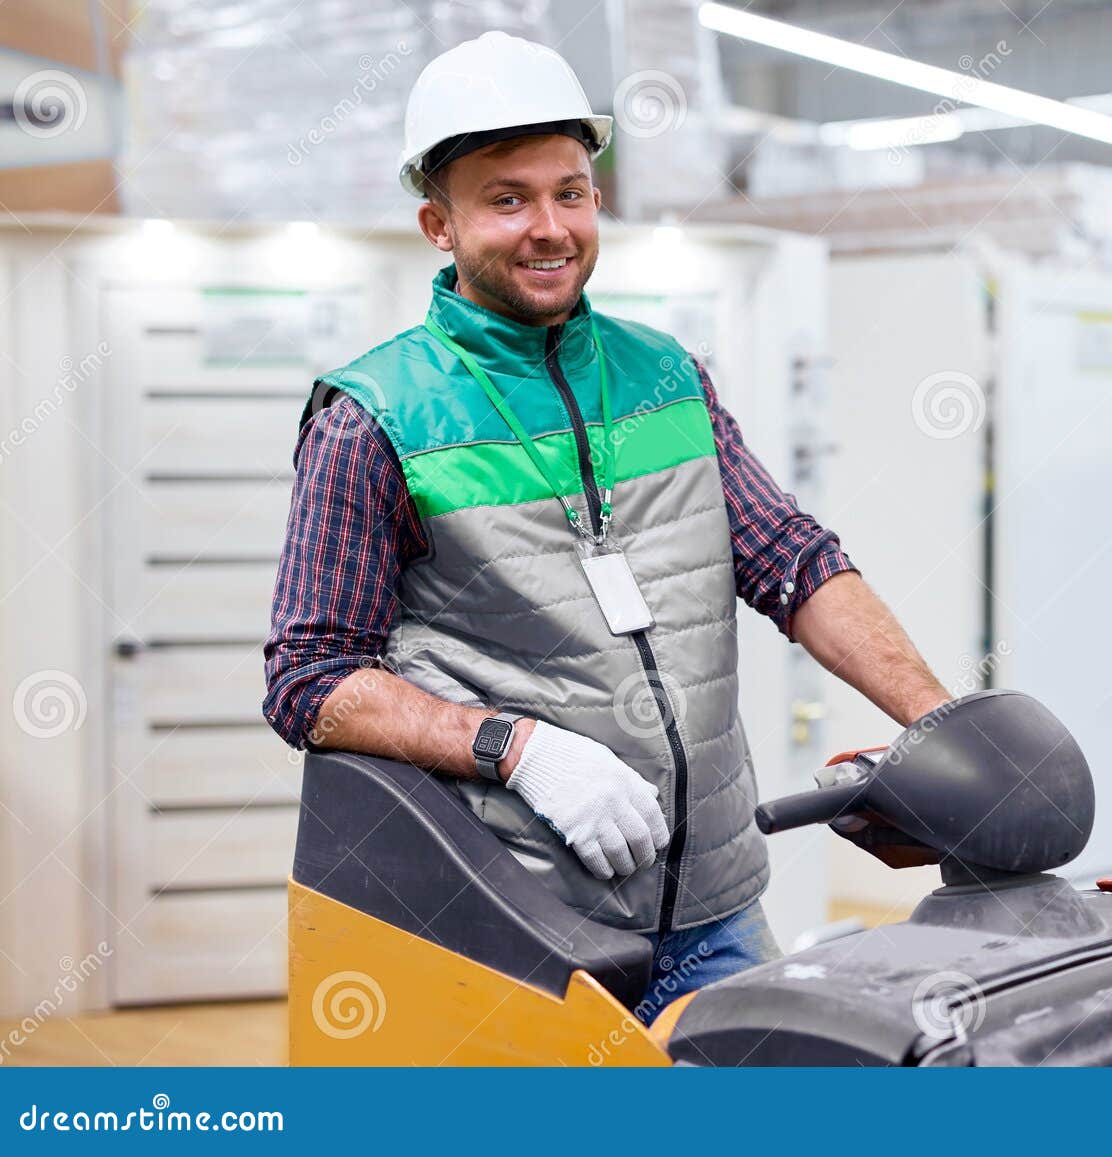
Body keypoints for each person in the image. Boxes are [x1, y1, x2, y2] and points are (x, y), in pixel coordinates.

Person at [261, 31, 950, 1023]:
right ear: (437, 224)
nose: (549, 226)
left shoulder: (664, 375)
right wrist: (516, 746)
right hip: (520, 920)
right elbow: (310, 680)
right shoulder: (373, 417)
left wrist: (939, 725)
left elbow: (791, 562)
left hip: (716, 909)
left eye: (571, 192)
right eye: (506, 198)